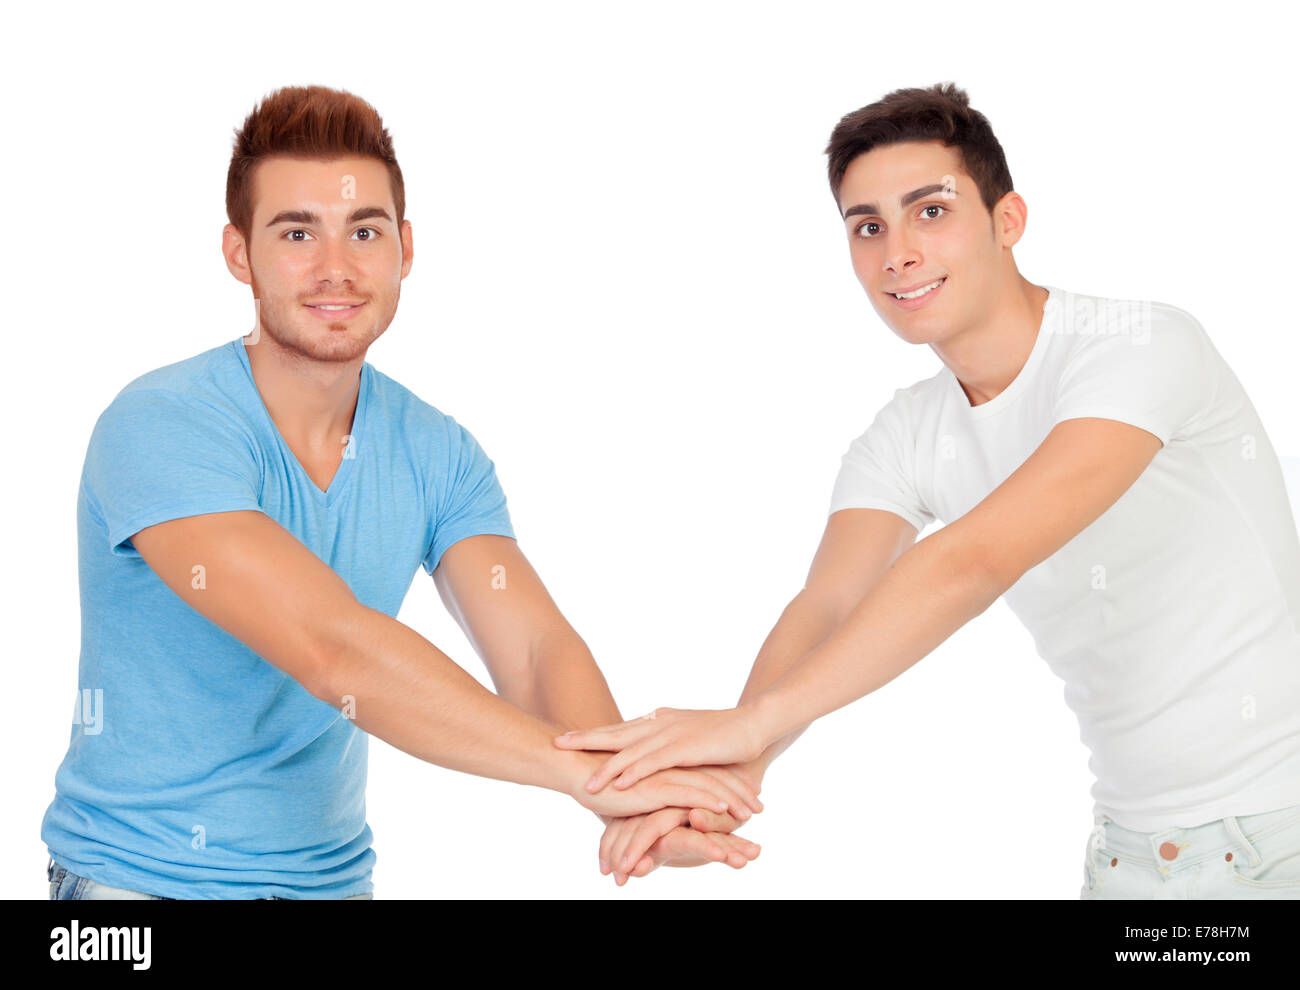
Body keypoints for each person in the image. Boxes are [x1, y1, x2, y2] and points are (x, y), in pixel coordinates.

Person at [555, 82, 1300, 898]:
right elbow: (830, 608)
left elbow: (975, 558)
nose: (896, 252)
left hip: (1279, 832)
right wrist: (727, 777)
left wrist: (749, 725)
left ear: (1007, 221)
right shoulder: (905, 435)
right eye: (866, 226)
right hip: (1136, 854)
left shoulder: (1139, 348)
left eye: (931, 211)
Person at [42, 84, 763, 900]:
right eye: (296, 232)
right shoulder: (163, 424)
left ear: (405, 248)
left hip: (332, 884)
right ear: (238, 253)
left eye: (364, 231)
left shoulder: (436, 450)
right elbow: (330, 648)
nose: (336, 268)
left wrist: (632, 789)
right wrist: (590, 779)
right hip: (134, 889)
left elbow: (530, 649)